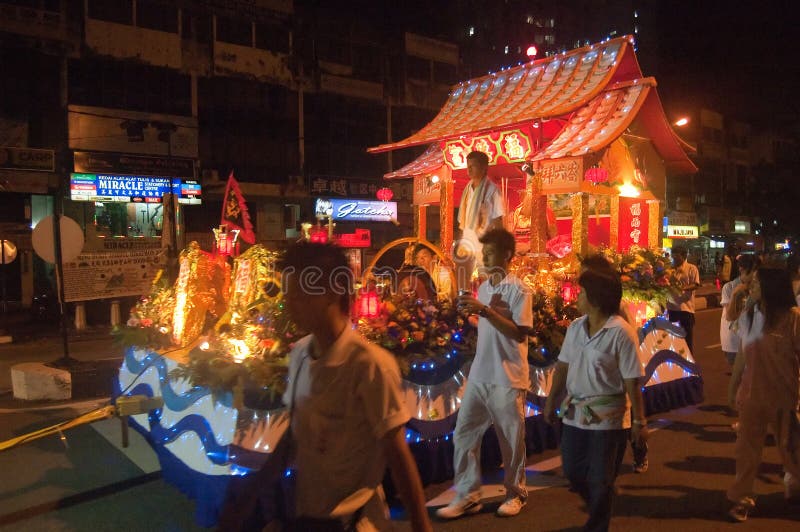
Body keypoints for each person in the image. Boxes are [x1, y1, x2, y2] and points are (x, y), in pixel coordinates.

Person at [280, 242, 432, 532]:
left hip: (355, 522)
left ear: (333, 292)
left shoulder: (369, 365)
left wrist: (422, 526)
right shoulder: (299, 354)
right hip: (308, 520)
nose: (290, 305)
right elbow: (292, 439)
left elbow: (398, 456)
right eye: (288, 295)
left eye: (299, 296)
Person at [436, 228, 532, 520]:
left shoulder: (520, 290)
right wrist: (473, 316)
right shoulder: (486, 287)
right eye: (484, 252)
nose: (485, 257)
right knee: (464, 434)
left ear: (507, 255)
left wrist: (486, 312)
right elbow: (490, 326)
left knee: (510, 439)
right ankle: (467, 495)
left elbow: (519, 334)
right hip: (480, 374)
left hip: (508, 376)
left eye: (490, 253)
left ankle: (516, 494)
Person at [543, 268, 649, 532]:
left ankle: (598, 525)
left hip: (609, 419)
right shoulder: (576, 327)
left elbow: (632, 380)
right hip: (575, 414)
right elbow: (563, 367)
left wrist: (639, 421)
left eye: (581, 293)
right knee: (573, 471)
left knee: (601, 480)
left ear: (596, 298)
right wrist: (550, 399)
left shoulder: (621, 332)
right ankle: (602, 503)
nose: (576, 297)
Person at [726, 267, 800, 522]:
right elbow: (742, 356)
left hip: (785, 397)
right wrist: (732, 387)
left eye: (757, 283)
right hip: (752, 396)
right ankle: (742, 498)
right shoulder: (750, 316)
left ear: (771, 287)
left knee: (790, 449)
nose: (752, 286)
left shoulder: (793, 319)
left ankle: (795, 487)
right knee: (746, 453)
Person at [579, 254, 648, 474]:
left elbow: (629, 338)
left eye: (584, 272)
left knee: (624, 418)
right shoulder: (587, 303)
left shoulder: (617, 308)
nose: (579, 276)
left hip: (618, 373)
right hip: (597, 375)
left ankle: (639, 451)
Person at [454, 150, 505, 291]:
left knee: (485, 284)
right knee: (464, 286)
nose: (469, 169)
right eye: (468, 166)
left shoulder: (492, 190)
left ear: (484, 168)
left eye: (473, 166)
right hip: (467, 245)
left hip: (484, 245)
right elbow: (462, 224)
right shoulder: (466, 190)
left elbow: (498, 221)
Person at [720, 254, 757, 370]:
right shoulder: (729, 287)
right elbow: (730, 316)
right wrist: (737, 295)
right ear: (742, 269)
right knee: (740, 377)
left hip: (751, 340)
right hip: (734, 342)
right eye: (754, 270)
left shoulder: (757, 287)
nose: (756, 274)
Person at [666, 245, 701, 352]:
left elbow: (696, 284)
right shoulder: (670, 269)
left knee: (686, 340)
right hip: (672, 309)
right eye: (673, 257)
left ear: (684, 256)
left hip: (686, 309)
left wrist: (682, 288)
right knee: (674, 340)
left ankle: (688, 363)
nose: (674, 260)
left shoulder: (692, 268)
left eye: (677, 258)